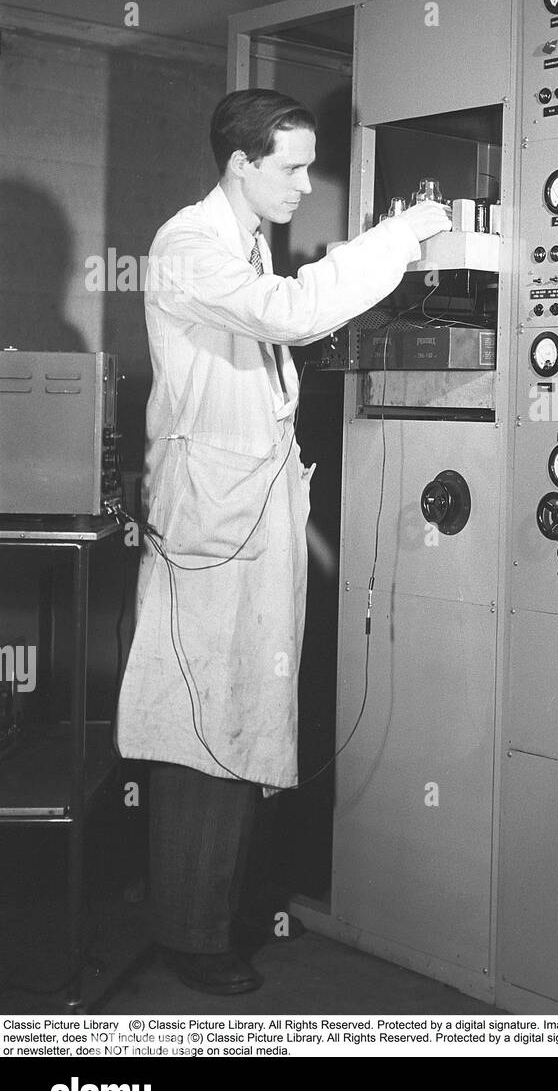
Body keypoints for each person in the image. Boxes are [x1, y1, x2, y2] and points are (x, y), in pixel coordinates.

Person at [116, 88, 451, 995]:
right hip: (211, 526)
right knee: (200, 729)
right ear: (239, 162)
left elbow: (281, 317)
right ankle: (191, 935)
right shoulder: (190, 245)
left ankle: (218, 908)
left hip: (249, 517)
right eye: (293, 166)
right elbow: (293, 313)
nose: (307, 183)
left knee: (240, 718)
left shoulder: (245, 244)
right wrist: (398, 239)